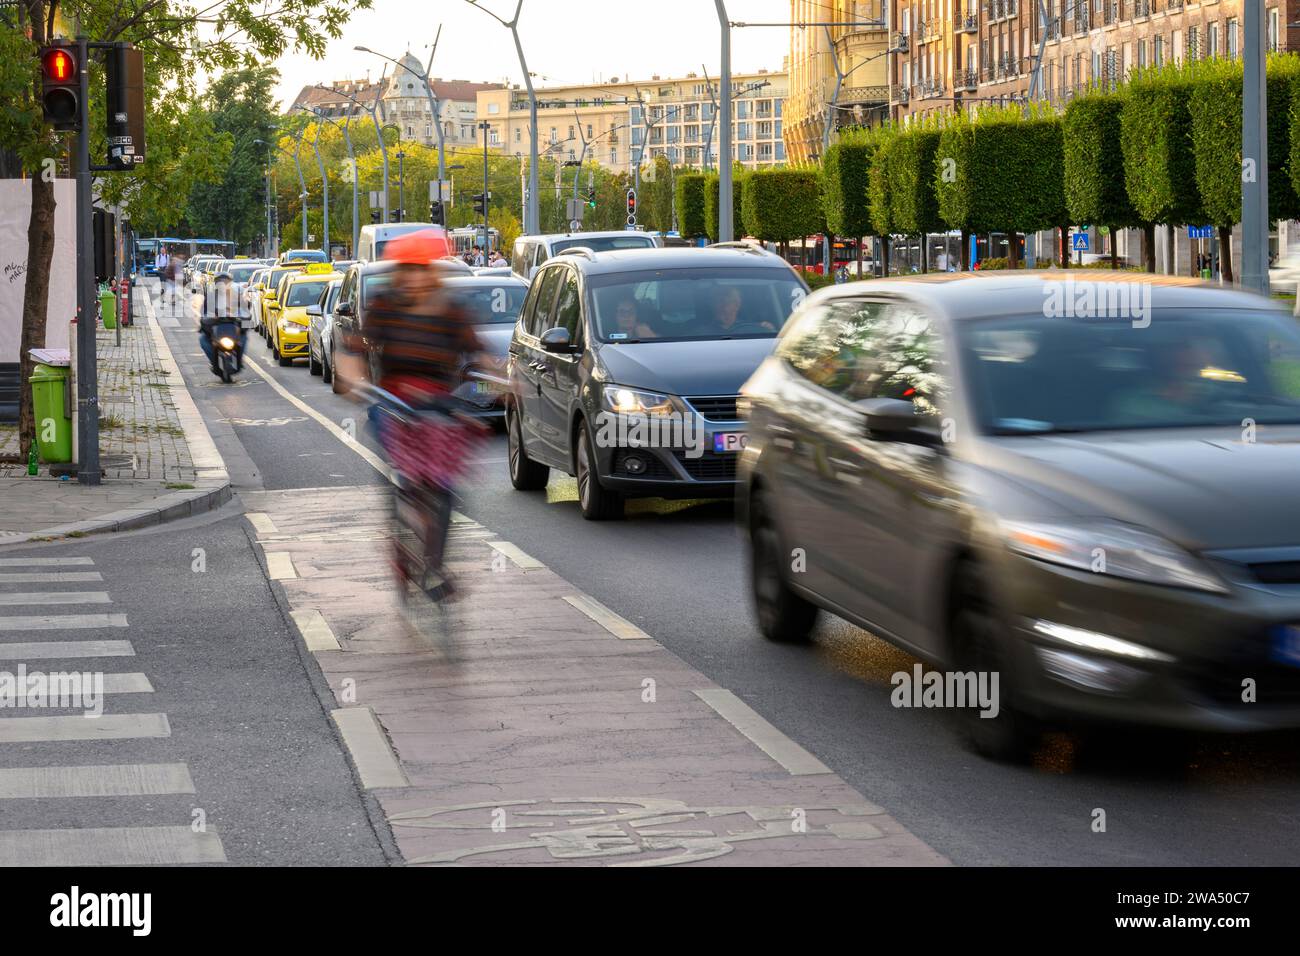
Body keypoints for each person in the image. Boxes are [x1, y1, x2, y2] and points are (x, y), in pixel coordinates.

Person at [341, 230, 487, 595]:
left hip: (438, 404)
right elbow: (355, 348)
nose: (416, 278)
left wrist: (500, 379)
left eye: (423, 270)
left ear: (433, 272)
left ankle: (434, 566)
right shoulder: (385, 305)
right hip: (394, 403)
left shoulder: (452, 310)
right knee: (406, 475)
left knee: (445, 485)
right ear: (399, 273)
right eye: (408, 270)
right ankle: (402, 529)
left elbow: (478, 353)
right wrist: (355, 379)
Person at [197, 273, 247, 375]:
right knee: (203, 340)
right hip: (216, 328)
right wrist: (209, 319)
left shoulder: (236, 296)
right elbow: (203, 314)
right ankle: (213, 361)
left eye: (226, 282)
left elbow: (245, 312)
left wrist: (242, 319)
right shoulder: (210, 297)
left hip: (233, 327)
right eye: (220, 282)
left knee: (244, 338)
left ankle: (239, 360)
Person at [707, 285, 775, 335]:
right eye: (716, 302)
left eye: (725, 302)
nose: (720, 306)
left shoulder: (753, 328)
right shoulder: (701, 332)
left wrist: (769, 330)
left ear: (737, 305)